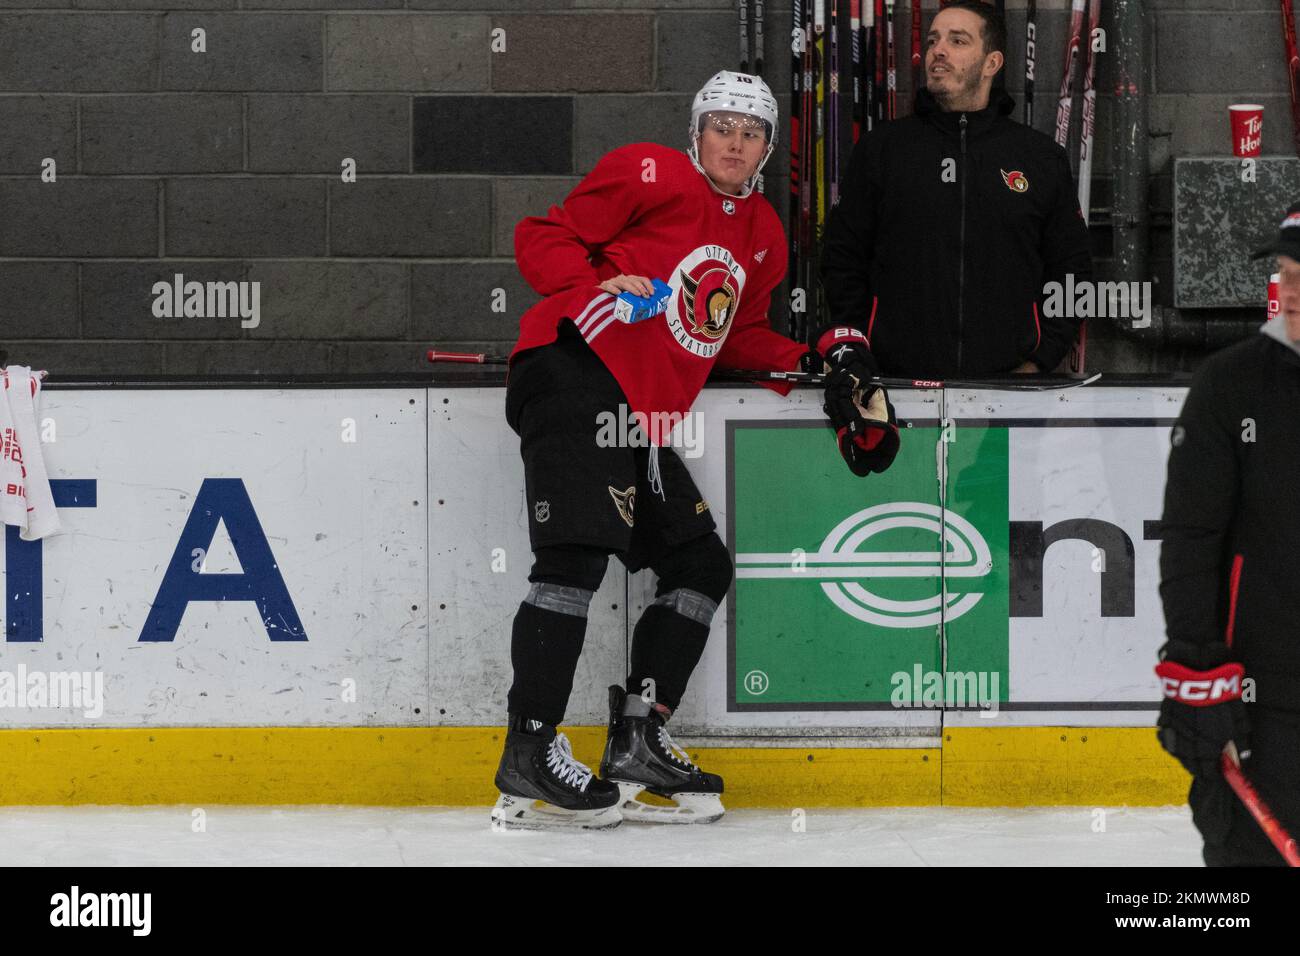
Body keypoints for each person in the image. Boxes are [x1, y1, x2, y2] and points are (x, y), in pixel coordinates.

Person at [494, 70, 901, 830]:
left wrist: (819, 360)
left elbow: (732, 337)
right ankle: (530, 749)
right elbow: (541, 235)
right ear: (696, 133)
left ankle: (638, 735)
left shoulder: (763, 238)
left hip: (641, 414)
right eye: (721, 126)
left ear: (767, 149)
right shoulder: (650, 170)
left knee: (698, 563)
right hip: (577, 371)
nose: (735, 142)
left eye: (750, 133)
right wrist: (601, 289)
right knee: (575, 560)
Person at [817, 0, 1092, 380]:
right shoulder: (883, 150)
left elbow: (1072, 269)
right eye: (933, 41)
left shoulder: (1040, 157)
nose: (938, 51)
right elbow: (842, 258)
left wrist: (1041, 357)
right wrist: (862, 344)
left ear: (991, 63)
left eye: (958, 41)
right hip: (896, 384)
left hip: (1009, 390)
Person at [1156, 203, 1300, 865]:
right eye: (1286, 272)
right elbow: (1191, 540)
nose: (1291, 292)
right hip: (1265, 702)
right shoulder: (1230, 384)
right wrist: (1197, 667)